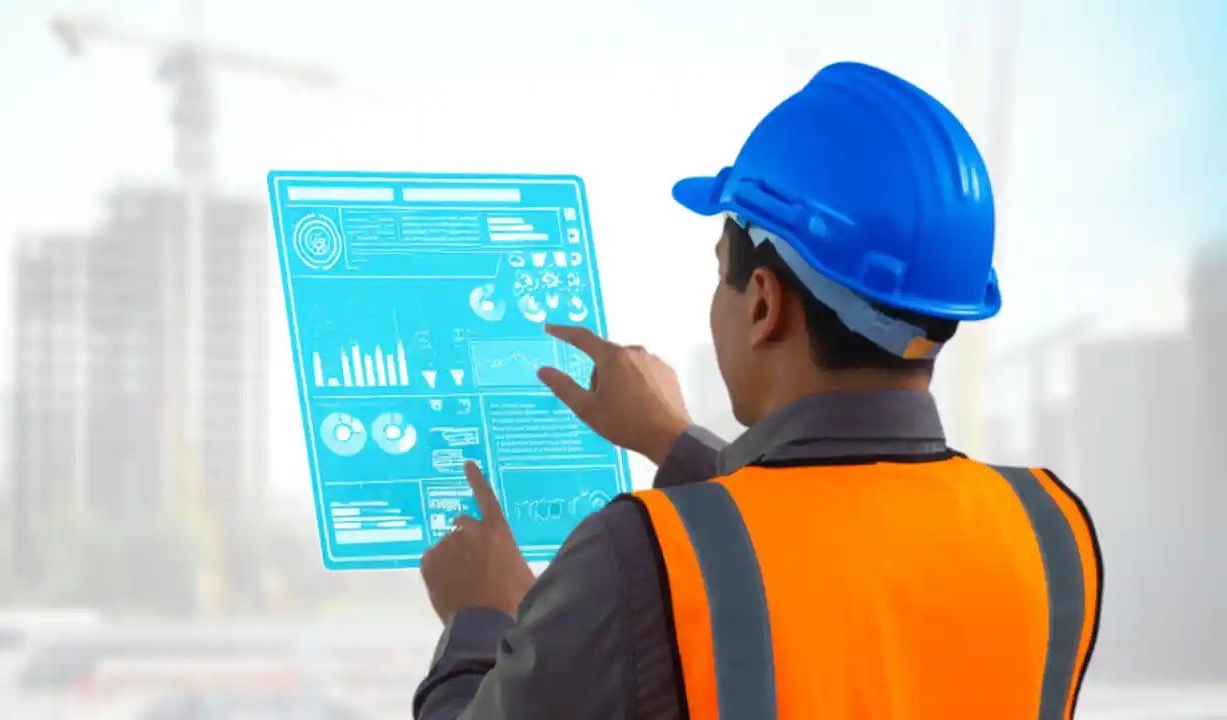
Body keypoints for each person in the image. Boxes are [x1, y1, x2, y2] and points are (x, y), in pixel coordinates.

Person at [413, 61, 1103, 719]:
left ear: (764, 303)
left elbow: (784, 553)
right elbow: (831, 543)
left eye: (722, 273)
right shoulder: (1050, 530)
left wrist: (480, 617)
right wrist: (672, 441)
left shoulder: (632, 558)